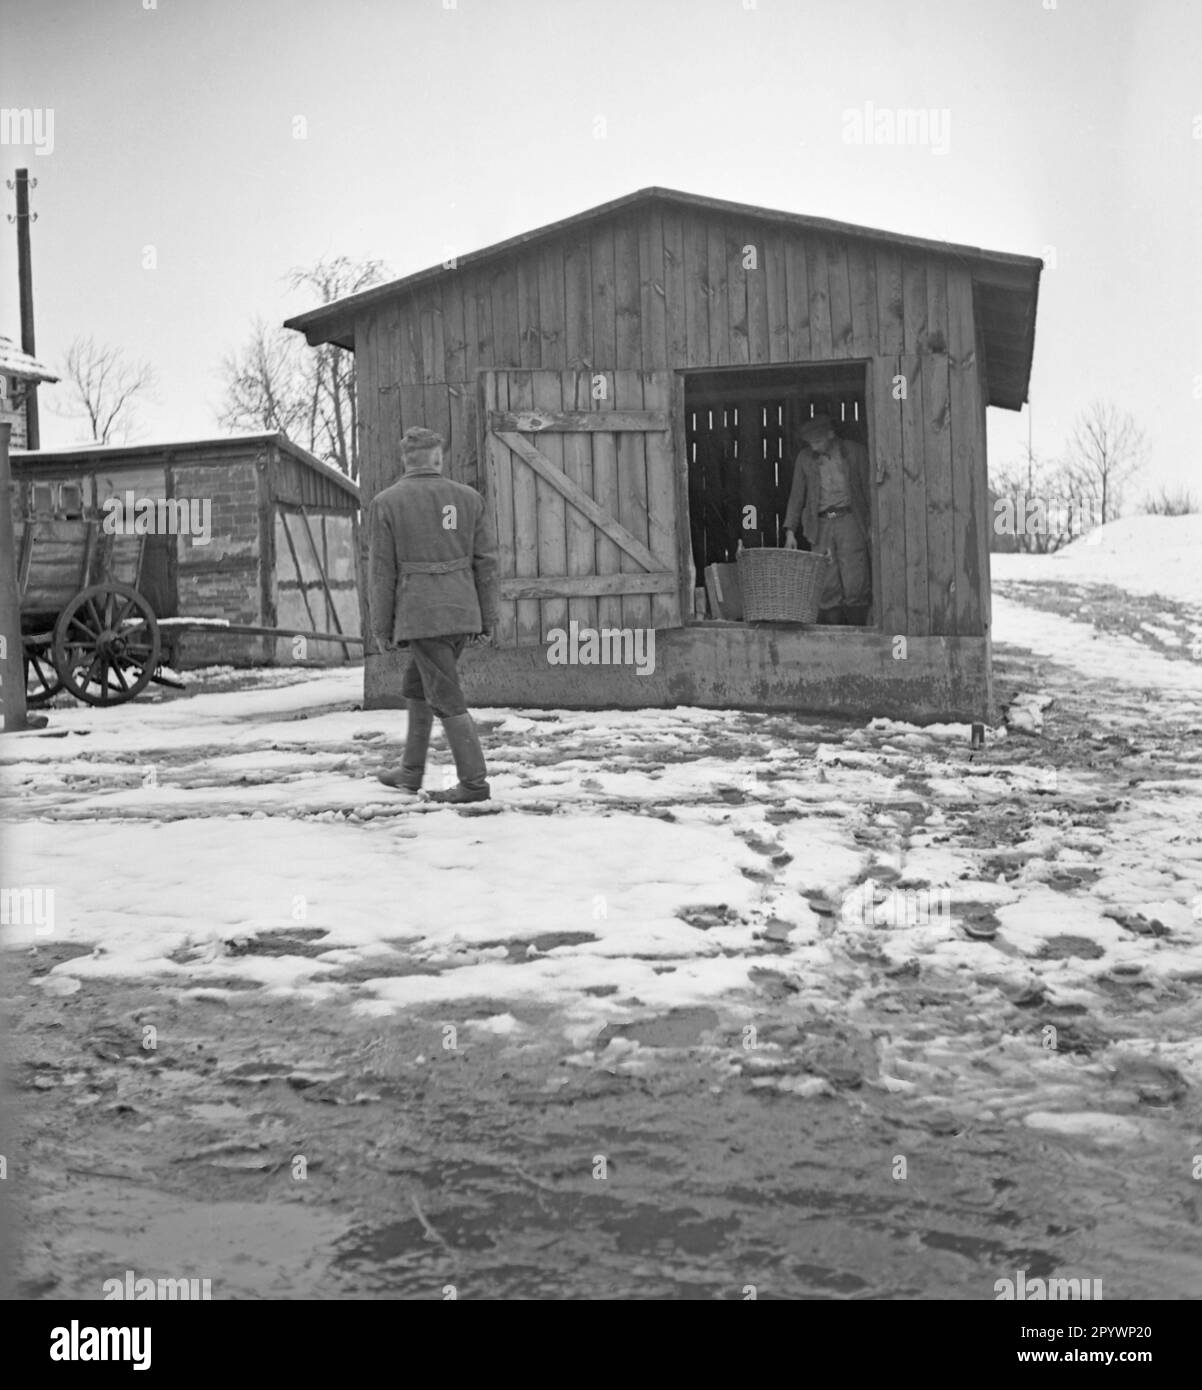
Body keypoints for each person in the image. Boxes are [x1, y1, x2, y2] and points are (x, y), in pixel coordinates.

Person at [368, 427, 498, 802]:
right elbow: (486, 564)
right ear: (438, 459)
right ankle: (410, 772)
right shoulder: (468, 499)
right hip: (462, 612)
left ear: (406, 460)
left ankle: (474, 784)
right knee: (417, 685)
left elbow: (382, 573)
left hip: (422, 616)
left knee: (445, 696)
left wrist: (381, 626)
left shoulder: (386, 503)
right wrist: (488, 618)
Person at [782, 413, 872, 625]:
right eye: (810, 443)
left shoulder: (855, 452)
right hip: (820, 524)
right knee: (825, 582)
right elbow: (797, 496)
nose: (813, 447)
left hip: (849, 519)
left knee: (855, 579)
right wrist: (790, 531)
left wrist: (873, 525)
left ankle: (858, 633)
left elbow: (870, 492)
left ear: (831, 434)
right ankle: (832, 633)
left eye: (818, 441)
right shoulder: (805, 459)